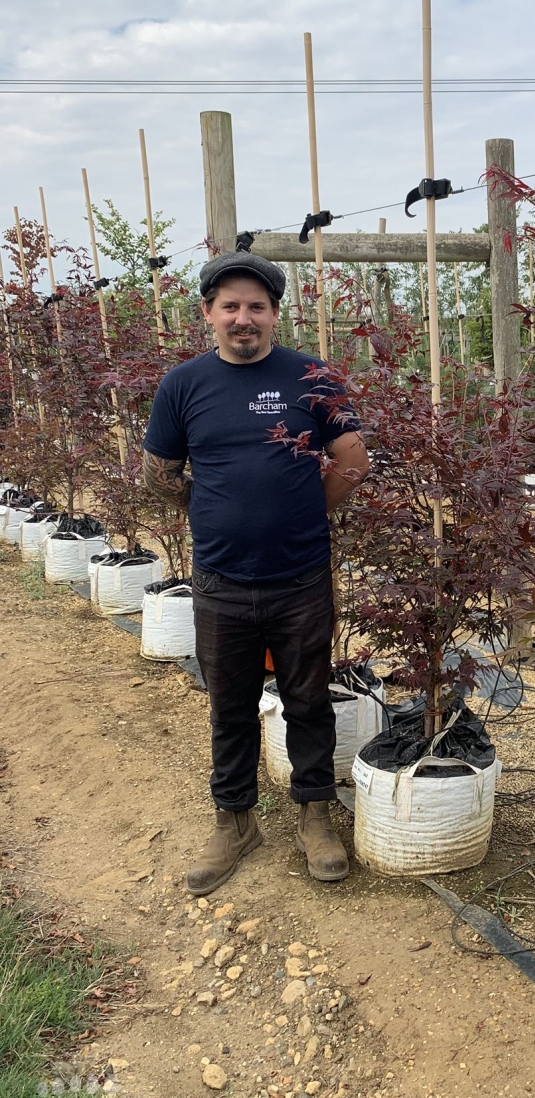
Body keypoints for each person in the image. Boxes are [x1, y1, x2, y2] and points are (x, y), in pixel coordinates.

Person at [142, 251, 369, 894]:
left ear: (275, 314)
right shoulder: (182, 385)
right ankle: (234, 820)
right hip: (220, 580)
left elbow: (352, 459)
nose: (244, 318)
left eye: (257, 306)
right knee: (230, 705)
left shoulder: (311, 376)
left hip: (300, 575)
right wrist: (212, 513)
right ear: (210, 314)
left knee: (308, 698)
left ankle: (315, 816)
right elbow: (161, 472)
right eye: (231, 306)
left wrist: (301, 512)